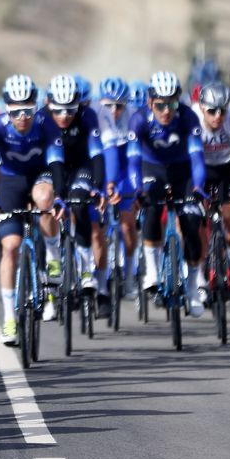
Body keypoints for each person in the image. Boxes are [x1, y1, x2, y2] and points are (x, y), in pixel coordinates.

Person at [0, 74, 66, 334]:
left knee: (44, 199)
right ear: (7, 108)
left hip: (40, 176)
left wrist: (59, 196)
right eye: (16, 111)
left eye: (28, 110)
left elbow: (56, 164)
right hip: (11, 181)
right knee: (10, 248)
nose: (23, 117)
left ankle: (52, 254)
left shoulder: (46, 124)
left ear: (36, 107)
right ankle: (9, 318)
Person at [127, 71, 208, 317]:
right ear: (150, 102)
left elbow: (197, 158)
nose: (166, 110)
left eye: (171, 104)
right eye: (160, 104)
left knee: (192, 224)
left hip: (183, 170)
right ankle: (152, 271)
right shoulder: (139, 120)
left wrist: (198, 188)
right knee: (151, 211)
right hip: (151, 169)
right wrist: (136, 190)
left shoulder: (188, 117)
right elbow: (132, 161)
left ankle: (193, 287)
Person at [42, 74, 105, 293]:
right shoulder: (41, 118)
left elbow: (97, 154)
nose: (64, 115)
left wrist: (97, 186)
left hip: (80, 167)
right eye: (58, 110)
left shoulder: (88, 116)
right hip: (50, 168)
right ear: (48, 104)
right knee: (45, 203)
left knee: (79, 202)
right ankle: (51, 264)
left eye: (70, 109)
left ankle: (87, 267)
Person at [192, 83, 230, 295]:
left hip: (228, 170)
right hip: (201, 171)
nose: (218, 116)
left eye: (222, 111)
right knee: (197, 225)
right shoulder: (193, 120)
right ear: (201, 108)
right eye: (212, 111)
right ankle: (199, 275)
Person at [96, 76, 138, 316]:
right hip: (102, 170)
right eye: (109, 105)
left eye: (119, 105)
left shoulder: (132, 117)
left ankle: (130, 273)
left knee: (127, 225)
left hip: (125, 171)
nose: (114, 110)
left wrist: (126, 187)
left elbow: (133, 160)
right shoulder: (95, 115)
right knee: (95, 227)